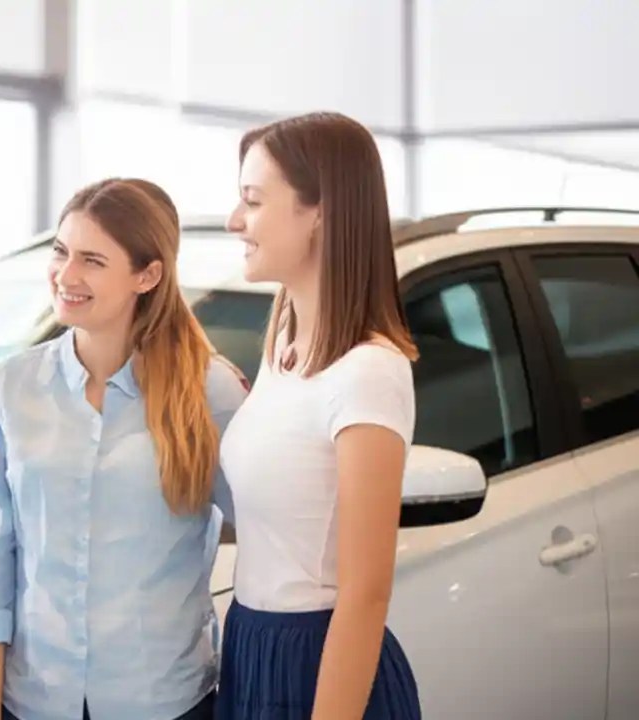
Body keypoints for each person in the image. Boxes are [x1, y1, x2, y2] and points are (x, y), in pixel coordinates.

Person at [0, 177, 249, 720]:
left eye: (92, 260)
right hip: (32, 704)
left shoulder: (212, 393)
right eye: (61, 251)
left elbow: (268, 543)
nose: (66, 275)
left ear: (148, 274)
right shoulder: (8, 387)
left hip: (168, 703)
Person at [215, 112, 422, 719]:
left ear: (322, 212)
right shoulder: (283, 335)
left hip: (319, 663)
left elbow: (364, 594)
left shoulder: (369, 373)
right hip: (251, 643)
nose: (235, 221)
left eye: (253, 201)